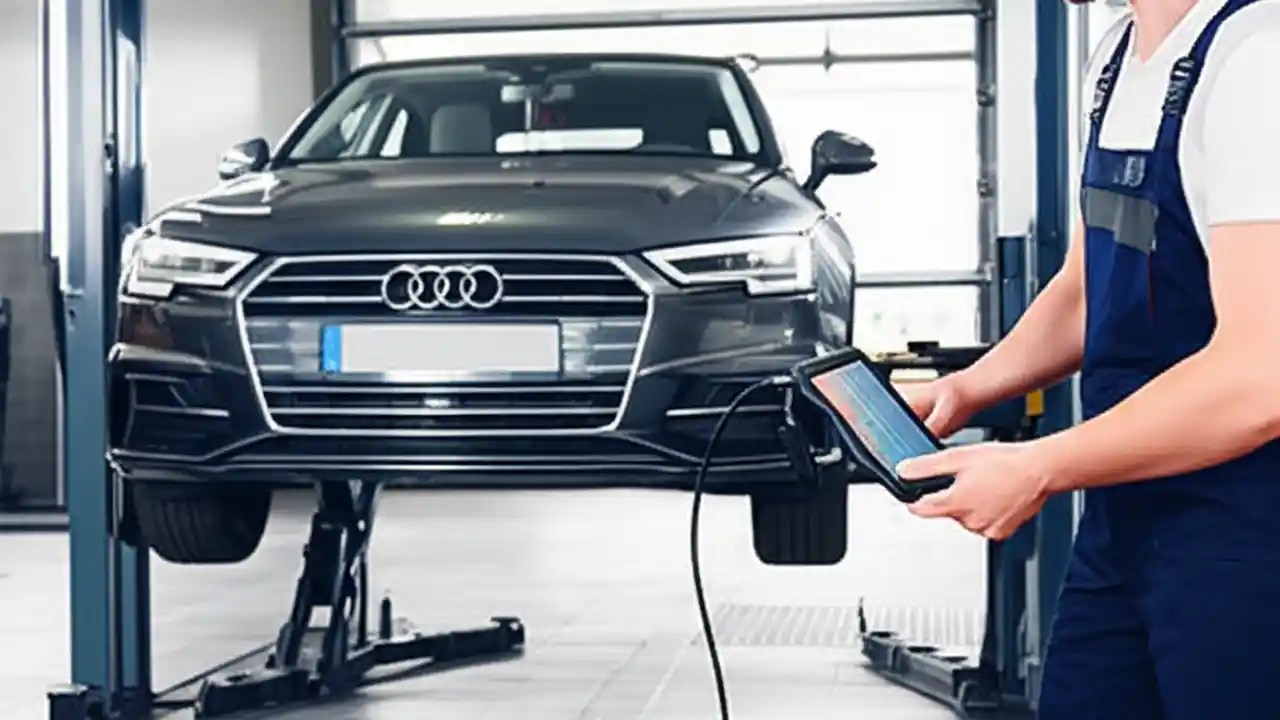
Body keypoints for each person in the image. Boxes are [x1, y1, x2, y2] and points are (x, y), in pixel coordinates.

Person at [894, 0, 1280, 716]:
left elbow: (1263, 375)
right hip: (1126, 516)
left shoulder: (1259, 62)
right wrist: (970, 388)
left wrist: (1040, 465)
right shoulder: (1115, 59)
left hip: (1250, 539)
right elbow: (1085, 286)